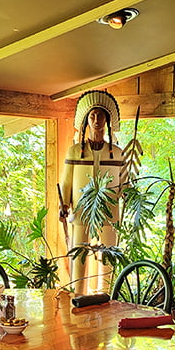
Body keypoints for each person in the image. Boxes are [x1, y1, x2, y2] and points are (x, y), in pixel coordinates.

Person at [59, 90, 123, 295]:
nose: (96, 120)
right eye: (92, 115)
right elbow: (66, 181)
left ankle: (106, 297)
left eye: (101, 115)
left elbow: (124, 182)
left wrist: (129, 195)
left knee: (108, 256)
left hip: (108, 210)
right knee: (78, 254)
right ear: (86, 119)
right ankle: (77, 296)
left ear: (107, 120)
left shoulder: (117, 153)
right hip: (81, 208)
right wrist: (64, 204)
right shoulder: (74, 151)